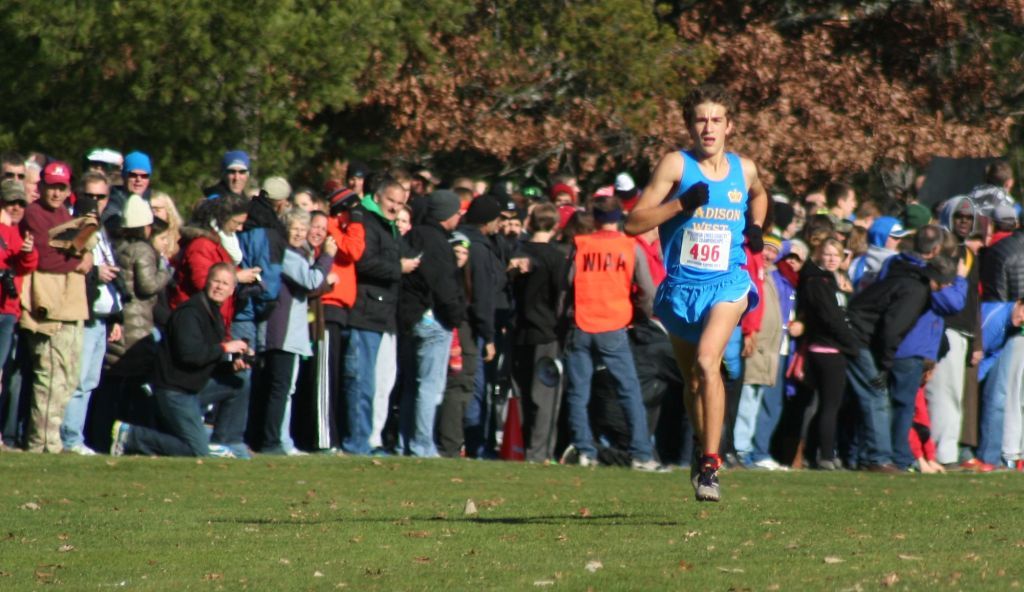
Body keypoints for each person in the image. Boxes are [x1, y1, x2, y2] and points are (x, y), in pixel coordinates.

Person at [624, 84, 768, 502]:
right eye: (700, 120)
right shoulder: (676, 165)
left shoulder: (744, 169)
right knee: (692, 380)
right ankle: (700, 449)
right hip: (681, 290)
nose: (708, 127)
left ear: (729, 126)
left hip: (729, 283)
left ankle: (710, 463)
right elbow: (633, 224)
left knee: (708, 362)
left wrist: (757, 227)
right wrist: (680, 205)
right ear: (690, 126)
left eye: (716, 120)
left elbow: (760, 195)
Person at [111, 263, 252, 457]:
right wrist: (224, 348)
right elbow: (190, 356)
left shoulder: (213, 313)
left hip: (193, 386)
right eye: (216, 281)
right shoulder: (190, 313)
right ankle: (132, 436)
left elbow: (208, 360)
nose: (219, 287)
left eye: (225, 284)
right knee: (196, 451)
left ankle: (227, 443)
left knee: (239, 381)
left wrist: (232, 366)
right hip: (174, 390)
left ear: (232, 290)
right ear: (207, 282)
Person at [564, 196, 660, 470]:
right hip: (614, 324)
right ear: (619, 217)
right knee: (629, 391)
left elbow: (568, 282)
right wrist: (642, 313)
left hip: (581, 323)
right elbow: (648, 291)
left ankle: (584, 450)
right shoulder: (630, 246)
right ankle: (641, 454)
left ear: (594, 218)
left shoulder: (581, 244)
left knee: (578, 393)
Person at [19, 161, 93, 453]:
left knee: (69, 377)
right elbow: (45, 259)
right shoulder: (34, 213)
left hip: (71, 304)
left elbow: (80, 244)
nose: (56, 193)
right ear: (41, 186)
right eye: (51, 186)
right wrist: (79, 259)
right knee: (49, 377)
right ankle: (42, 443)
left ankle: (53, 440)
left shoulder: (64, 214)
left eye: (61, 187)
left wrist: (78, 252)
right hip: (47, 305)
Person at [341, 179, 417, 455]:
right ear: (377, 197)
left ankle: (371, 440)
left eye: (400, 203)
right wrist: (398, 267)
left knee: (381, 384)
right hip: (366, 313)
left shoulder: (390, 228)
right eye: (391, 201)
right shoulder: (369, 223)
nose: (395, 208)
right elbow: (364, 261)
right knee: (361, 382)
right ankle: (357, 442)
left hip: (385, 316)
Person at [258, 208, 334, 455]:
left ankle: (281, 440)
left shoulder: (297, 253)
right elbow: (311, 280)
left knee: (285, 388)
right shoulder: (288, 255)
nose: (300, 234)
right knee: (281, 388)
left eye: (303, 229)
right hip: (284, 332)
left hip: (291, 332)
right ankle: (274, 442)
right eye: (295, 229)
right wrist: (327, 257)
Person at [398, 190, 466, 457]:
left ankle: (404, 442)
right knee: (429, 386)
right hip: (433, 320)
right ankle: (422, 445)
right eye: (456, 212)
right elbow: (444, 286)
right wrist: (456, 315)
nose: (459, 216)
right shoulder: (438, 242)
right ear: (445, 215)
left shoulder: (413, 235)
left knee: (411, 386)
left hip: (410, 318)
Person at [61, 172, 123, 455]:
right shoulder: (72, 226)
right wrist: (96, 272)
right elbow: (64, 265)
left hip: (101, 316)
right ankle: (69, 438)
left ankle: (76, 437)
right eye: (90, 196)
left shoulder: (103, 229)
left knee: (89, 382)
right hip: (81, 314)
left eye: (101, 197)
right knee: (76, 380)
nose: (95, 202)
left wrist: (116, 316)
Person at [797, 238, 861, 469]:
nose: (832, 259)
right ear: (819, 255)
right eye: (828, 254)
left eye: (837, 255)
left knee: (827, 405)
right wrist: (852, 345)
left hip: (834, 348)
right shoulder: (817, 281)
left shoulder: (835, 281)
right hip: (826, 349)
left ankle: (815, 453)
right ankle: (825, 455)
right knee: (829, 405)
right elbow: (831, 318)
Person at [511, 203, 567, 462]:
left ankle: (520, 448)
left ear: (530, 223)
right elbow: (560, 298)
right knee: (545, 397)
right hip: (547, 333)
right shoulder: (556, 258)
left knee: (522, 394)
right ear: (556, 226)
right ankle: (539, 452)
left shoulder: (516, 252)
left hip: (518, 330)